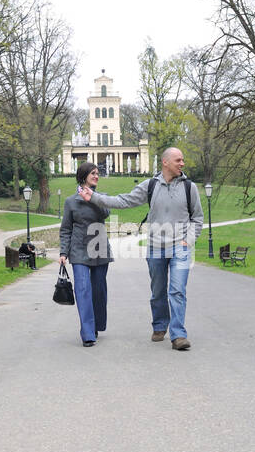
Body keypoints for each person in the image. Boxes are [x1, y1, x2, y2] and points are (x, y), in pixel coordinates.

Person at [81, 147, 202, 351]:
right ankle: (159, 325)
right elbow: (124, 200)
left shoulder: (189, 188)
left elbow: (197, 218)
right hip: (156, 248)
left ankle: (178, 335)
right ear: (165, 162)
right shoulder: (151, 186)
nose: (182, 163)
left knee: (177, 291)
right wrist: (94, 197)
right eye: (178, 160)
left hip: (180, 247)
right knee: (157, 292)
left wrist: (188, 241)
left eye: (182, 160)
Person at [59, 162, 112, 347]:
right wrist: (63, 252)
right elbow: (66, 229)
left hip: (99, 248)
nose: (97, 176)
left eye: (98, 173)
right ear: (83, 176)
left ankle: (97, 324)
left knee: (99, 291)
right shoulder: (70, 201)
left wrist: (94, 198)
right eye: (93, 173)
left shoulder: (102, 197)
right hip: (79, 250)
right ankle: (88, 333)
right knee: (82, 290)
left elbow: (106, 213)